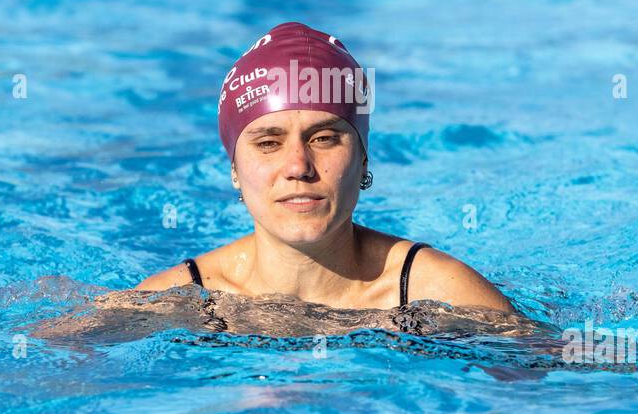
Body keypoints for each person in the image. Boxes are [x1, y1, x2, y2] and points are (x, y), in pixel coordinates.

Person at [134, 22, 513, 313]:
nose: (298, 166)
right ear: (234, 167)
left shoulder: (440, 291)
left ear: (363, 156)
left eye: (324, 138)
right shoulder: (175, 301)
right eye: (268, 143)